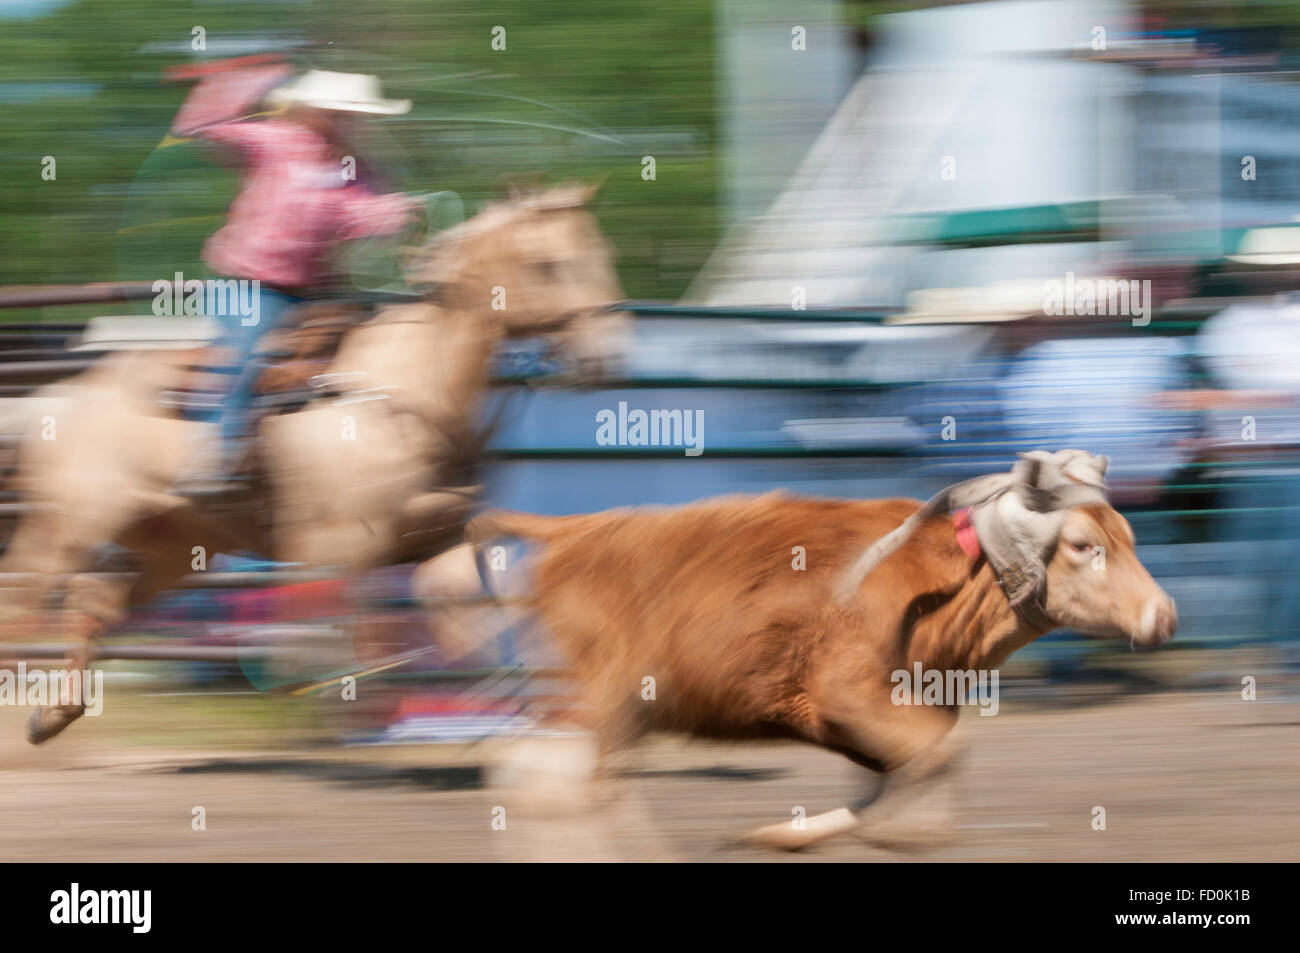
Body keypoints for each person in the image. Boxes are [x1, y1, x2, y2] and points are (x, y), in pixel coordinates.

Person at [167, 60, 416, 493]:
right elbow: (203, 126)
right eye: (343, 114)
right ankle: (210, 454)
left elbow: (369, 212)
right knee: (242, 359)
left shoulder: (357, 168)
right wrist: (242, 81)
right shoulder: (276, 142)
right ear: (317, 113)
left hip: (315, 290)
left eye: (356, 116)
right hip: (248, 284)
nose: (353, 124)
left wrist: (396, 215)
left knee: (376, 354)